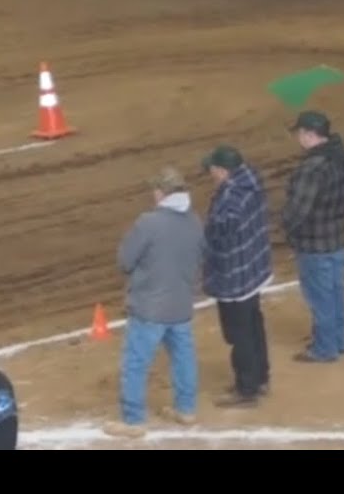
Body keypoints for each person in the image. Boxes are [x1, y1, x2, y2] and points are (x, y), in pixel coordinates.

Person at [104, 166, 204, 438]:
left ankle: (134, 420)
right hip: (181, 304)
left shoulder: (148, 222)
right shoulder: (195, 221)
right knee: (183, 357)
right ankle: (186, 409)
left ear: (161, 193)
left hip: (149, 306)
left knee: (136, 362)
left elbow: (125, 261)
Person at [281, 111, 344, 363]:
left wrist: (288, 230)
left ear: (309, 134)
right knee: (335, 292)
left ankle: (325, 348)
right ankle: (338, 339)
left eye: (300, 133)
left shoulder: (312, 168)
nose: (298, 138)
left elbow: (298, 211)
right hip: (336, 236)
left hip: (314, 243)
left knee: (320, 297)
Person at [200, 146, 273, 409]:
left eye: (213, 170)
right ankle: (260, 376)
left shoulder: (231, 199)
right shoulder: (250, 181)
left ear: (222, 170)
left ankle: (247, 388)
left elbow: (219, 233)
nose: (211, 175)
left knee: (239, 334)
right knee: (254, 324)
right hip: (254, 268)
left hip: (235, 275)